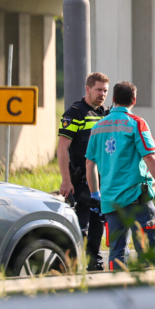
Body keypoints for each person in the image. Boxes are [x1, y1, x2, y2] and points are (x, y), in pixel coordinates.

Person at [85, 80, 155, 270]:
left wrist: (95, 194)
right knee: (146, 249)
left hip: (110, 200)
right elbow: (150, 157)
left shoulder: (98, 127)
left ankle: (117, 291)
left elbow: (89, 163)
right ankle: (148, 292)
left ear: (113, 99)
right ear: (134, 99)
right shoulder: (136, 123)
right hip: (137, 199)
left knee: (116, 252)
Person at [56, 71, 109, 271]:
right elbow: (62, 148)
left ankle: (93, 260)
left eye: (105, 90)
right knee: (81, 224)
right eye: (98, 90)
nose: (102, 94)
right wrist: (66, 180)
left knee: (98, 222)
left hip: (100, 179)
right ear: (87, 89)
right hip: (79, 179)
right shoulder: (75, 113)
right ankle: (71, 263)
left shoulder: (104, 113)